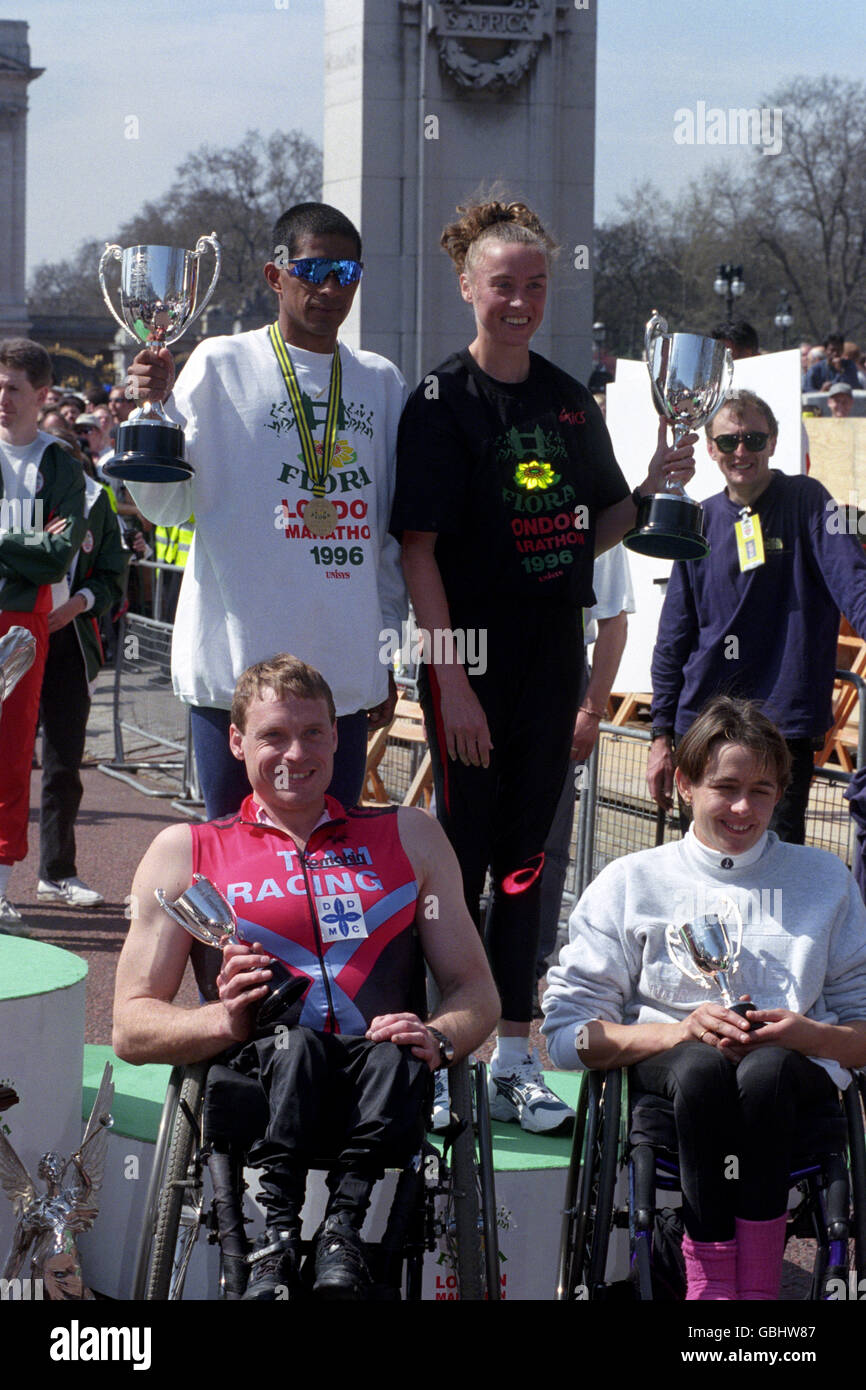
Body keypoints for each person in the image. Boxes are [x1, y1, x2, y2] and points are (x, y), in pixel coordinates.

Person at [391, 197, 695, 1133]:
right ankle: (442, 1050)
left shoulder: (569, 399)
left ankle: (516, 1051)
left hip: (549, 653)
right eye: (501, 286)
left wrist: (651, 490)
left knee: (528, 865)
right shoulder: (441, 403)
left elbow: (601, 521)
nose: (518, 302)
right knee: (458, 861)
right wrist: (449, 683)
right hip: (469, 657)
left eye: (534, 286)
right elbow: (418, 552)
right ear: (467, 287)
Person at [113, 653, 499, 1300]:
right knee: (295, 1047)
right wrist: (222, 1019)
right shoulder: (186, 851)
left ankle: (342, 1232)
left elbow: (476, 990)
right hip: (262, 1074)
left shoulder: (411, 835)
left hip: (377, 1077)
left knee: (395, 1061)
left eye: (313, 732)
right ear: (236, 742)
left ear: (338, 736)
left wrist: (439, 1035)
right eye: (273, 735)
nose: (297, 752)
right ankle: (276, 1237)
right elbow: (130, 1024)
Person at [543, 695, 866, 1301]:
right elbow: (568, 1036)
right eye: (726, 786)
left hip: (791, 1083)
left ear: (782, 792)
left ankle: (757, 1289)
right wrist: (680, 1029)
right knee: (700, 1066)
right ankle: (712, 1290)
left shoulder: (825, 880)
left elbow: (864, 1029)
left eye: (763, 790)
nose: (745, 807)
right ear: (686, 785)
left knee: (765, 1068)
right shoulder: (630, 882)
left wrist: (808, 1034)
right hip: (677, 1087)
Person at [124, 202, 407, 817]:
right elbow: (167, 507)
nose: (331, 287)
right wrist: (152, 417)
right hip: (234, 676)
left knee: (333, 868)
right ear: (275, 275)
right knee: (234, 868)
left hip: (341, 680)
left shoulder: (382, 382)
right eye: (313, 269)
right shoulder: (220, 365)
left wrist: (384, 654)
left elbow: (387, 537)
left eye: (346, 272)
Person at [647, 387, 866, 845]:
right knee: (702, 873)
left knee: (776, 877)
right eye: (728, 441)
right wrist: (660, 734)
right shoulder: (699, 520)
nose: (741, 451)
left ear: (774, 441)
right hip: (704, 727)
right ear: (710, 448)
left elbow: (855, 582)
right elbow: (674, 636)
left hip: (780, 731)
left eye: (753, 439)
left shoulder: (808, 500)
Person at [0, 339, 86, 932]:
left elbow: (57, 557)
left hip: (22, 625)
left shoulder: (58, 463)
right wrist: (25, 547)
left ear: (41, 396)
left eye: (11, 388)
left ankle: (1, 886)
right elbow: (42, 546)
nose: (0, 399)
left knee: (10, 759)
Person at [536, 543, 635, 993]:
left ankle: (525, 974)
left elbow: (614, 621)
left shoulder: (599, 507)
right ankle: (455, 975)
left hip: (562, 684)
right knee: (459, 843)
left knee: (547, 844)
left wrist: (592, 710)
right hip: (484, 671)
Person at [37, 471, 127, 907]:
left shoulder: (96, 499)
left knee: (63, 764)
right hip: (10, 632)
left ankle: (57, 872)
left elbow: (113, 575)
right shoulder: (11, 486)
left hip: (69, 642)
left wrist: (78, 604)